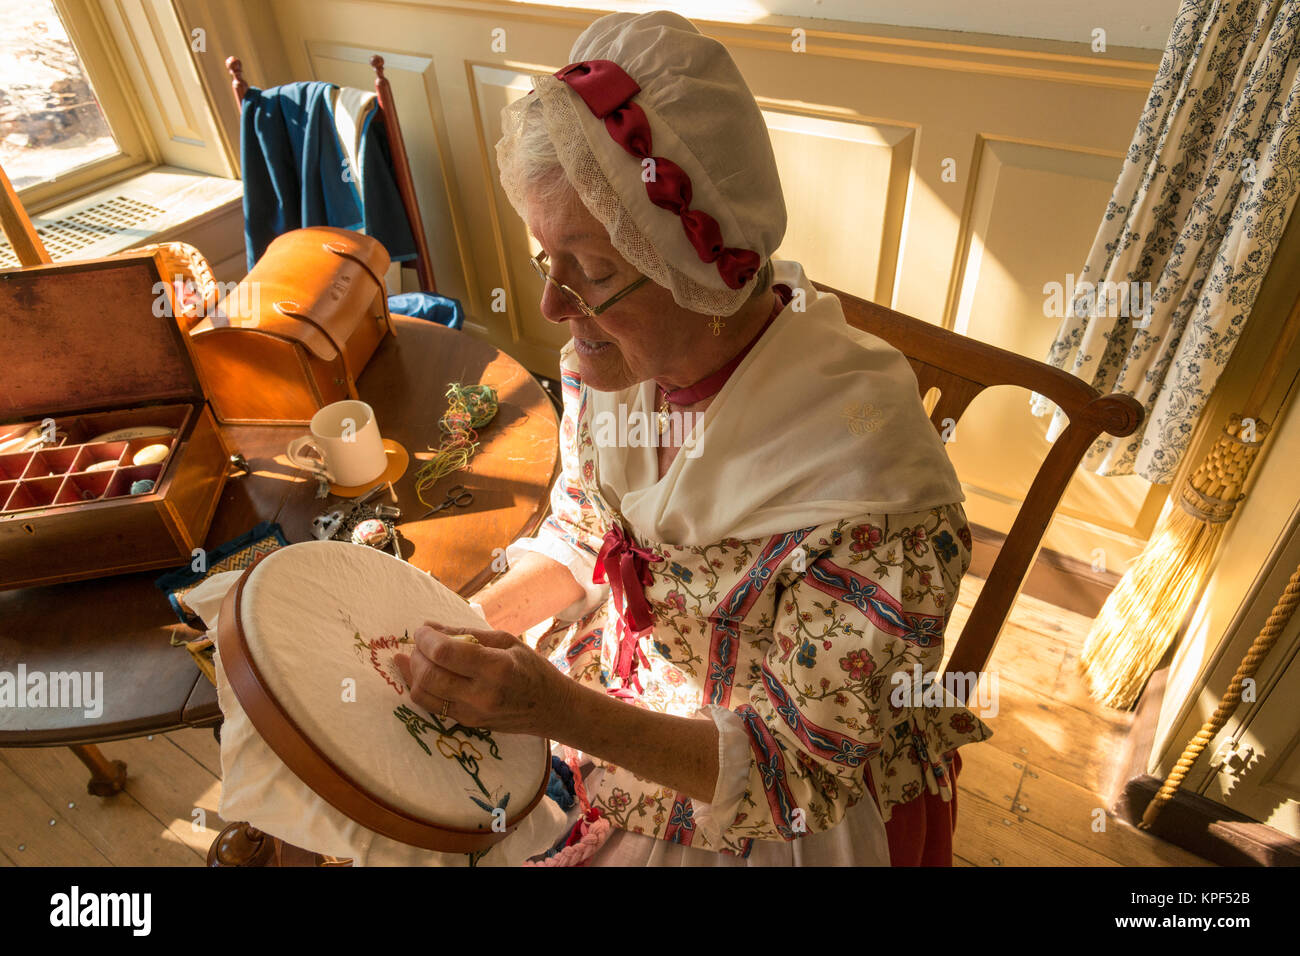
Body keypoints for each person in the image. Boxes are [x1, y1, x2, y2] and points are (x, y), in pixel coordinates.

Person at [395, 9, 992, 866]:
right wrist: (458, 628)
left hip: (764, 796)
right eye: (545, 259)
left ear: (702, 275)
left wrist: (556, 709)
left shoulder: (874, 498)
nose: (553, 309)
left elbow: (798, 771)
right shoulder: (619, 364)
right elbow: (585, 535)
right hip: (625, 690)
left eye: (592, 272)